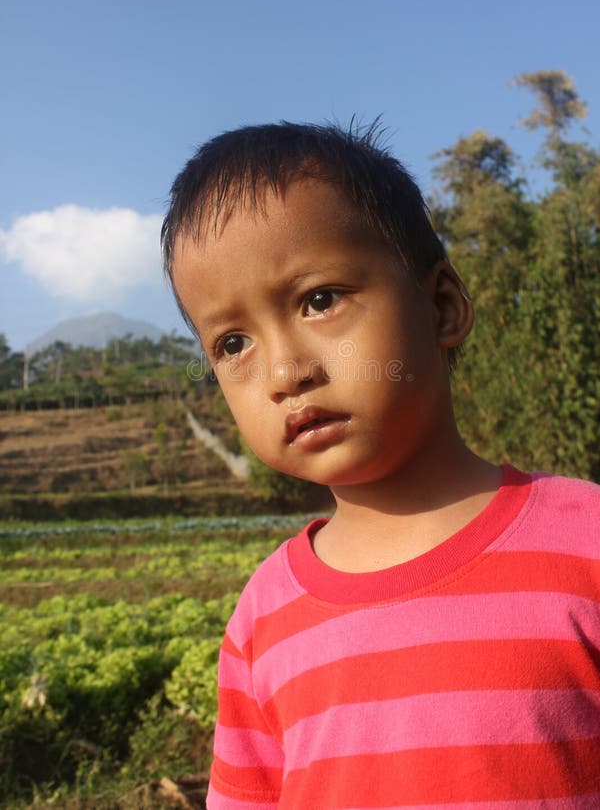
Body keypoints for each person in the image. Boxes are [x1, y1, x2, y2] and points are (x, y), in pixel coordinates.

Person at [161, 122, 600, 808]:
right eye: (233, 342)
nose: (284, 371)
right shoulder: (263, 617)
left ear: (442, 307)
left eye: (320, 300)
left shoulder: (587, 543)